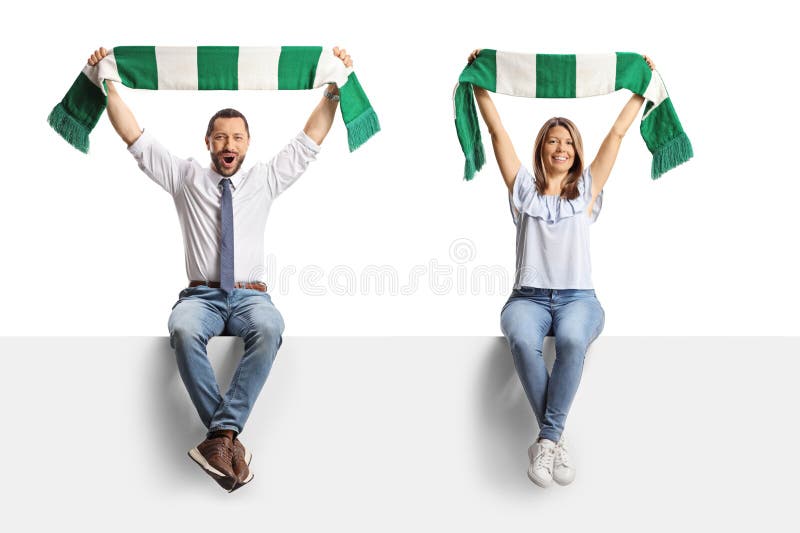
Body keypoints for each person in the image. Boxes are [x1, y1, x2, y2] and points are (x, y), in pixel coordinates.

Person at [87, 46, 353, 492]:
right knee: (184, 331)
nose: (228, 145)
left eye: (237, 138)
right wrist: (106, 81)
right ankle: (225, 438)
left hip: (252, 296)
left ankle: (219, 438)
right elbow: (134, 137)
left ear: (247, 144)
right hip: (202, 297)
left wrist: (333, 90)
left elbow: (309, 141)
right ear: (207, 142)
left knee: (271, 329)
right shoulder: (184, 176)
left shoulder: (265, 178)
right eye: (220, 138)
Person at [468, 49, 654, 488]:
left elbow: (618, 134)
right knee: (519, 336)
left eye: (569, 141)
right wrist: (479, 83)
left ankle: (547, 440)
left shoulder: (588, 189)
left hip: (578, 299)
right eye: (554, 139)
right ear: (541, 148)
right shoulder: (523, 192)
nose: (562, 147)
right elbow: (497, 134)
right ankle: (555, 439)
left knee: (572, 339)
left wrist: (640, 86)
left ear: (576, 152)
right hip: (528, 299)